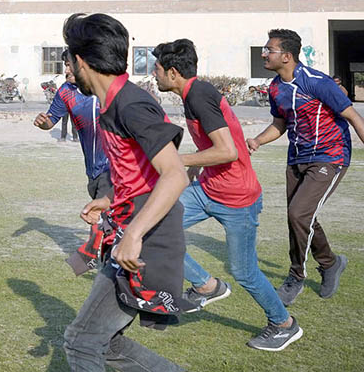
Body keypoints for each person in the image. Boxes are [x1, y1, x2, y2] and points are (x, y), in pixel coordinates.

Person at [152, 39, 301, 351]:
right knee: (157, 231)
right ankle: (207, 286)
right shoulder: (193, 93)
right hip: (208, 188)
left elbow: (227, 151)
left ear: (174, 73)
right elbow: (215, 144)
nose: (154, 75)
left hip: (238, 199)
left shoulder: (199, 95)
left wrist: (180, 161)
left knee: (244, 272)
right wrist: (191, 171)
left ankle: (283, 324)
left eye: (157, 69)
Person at [60, 13, 189, 372]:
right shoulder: (112, 104)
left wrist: (133, 234)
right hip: (132, 231)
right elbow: (142, 172)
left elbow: (175, 174)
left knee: (82, 342)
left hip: (147, 239)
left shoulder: (131, 104)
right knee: (107, 344)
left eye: (68, 61)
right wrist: (110, 199)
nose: (67, 69)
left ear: (81, 61)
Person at [247, 29, 364, 307]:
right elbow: (280, 124)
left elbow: (352, 115)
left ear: (286, 56)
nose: (264, 53)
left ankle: (295, 277)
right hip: (296, 158)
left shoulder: (317, 82)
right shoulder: (275, 87)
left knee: (298, 214)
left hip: (329, 155)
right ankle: (330, 263)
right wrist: (258, 140)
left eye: (269, 49)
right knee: (299, 216)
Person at [34, 49, 112, 276]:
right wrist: (43, 123)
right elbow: (51, 120)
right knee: (105, 220)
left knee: (104, 218)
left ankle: (96, 261)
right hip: (93, 171)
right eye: (64, 65)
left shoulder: (105, 90)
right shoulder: (66, 92)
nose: (65, 70)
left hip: (114, 169)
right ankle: (104, 262)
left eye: (69, 65)